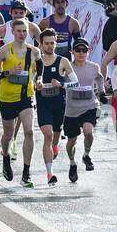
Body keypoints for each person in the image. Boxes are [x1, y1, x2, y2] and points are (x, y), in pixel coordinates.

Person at [0, 17, 39, 188]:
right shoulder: (3, 51)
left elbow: (40, 72)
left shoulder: (34, 52)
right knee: (8, 135)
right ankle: (5, 156)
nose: (21, 34)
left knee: (29, 132)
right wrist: (7, 72)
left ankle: (26, 173)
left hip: (26, 96)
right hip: (7, 98)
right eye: (18, 31)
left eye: (24, 31)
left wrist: (39, 81)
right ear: (12, 32)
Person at [33, 28, 72, 186]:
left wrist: (61, 84)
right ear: (41, 45)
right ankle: (50, 173)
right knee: (47, 135)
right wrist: (36, 84)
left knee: (55, 136)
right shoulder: (37, 62)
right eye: (46, 43)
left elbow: (75, 83)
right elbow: (30, 79)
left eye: (52, 43)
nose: (50, 46)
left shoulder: (63, 61)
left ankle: (55, 146)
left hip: (59, 104)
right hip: (43, 104)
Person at [63, 38, 105, 182]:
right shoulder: (67, 68)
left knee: (88, 131)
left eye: (84, 50)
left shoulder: (94, 67)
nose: (81, 53)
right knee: (72, 141)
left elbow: (100, 79)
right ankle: (72, 163)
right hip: (71, 110)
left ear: (88, 52)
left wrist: (102, 93)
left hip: (89, 106)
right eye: (78, 50)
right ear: (72, 52)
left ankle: (86, 155)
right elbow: (60, 82)